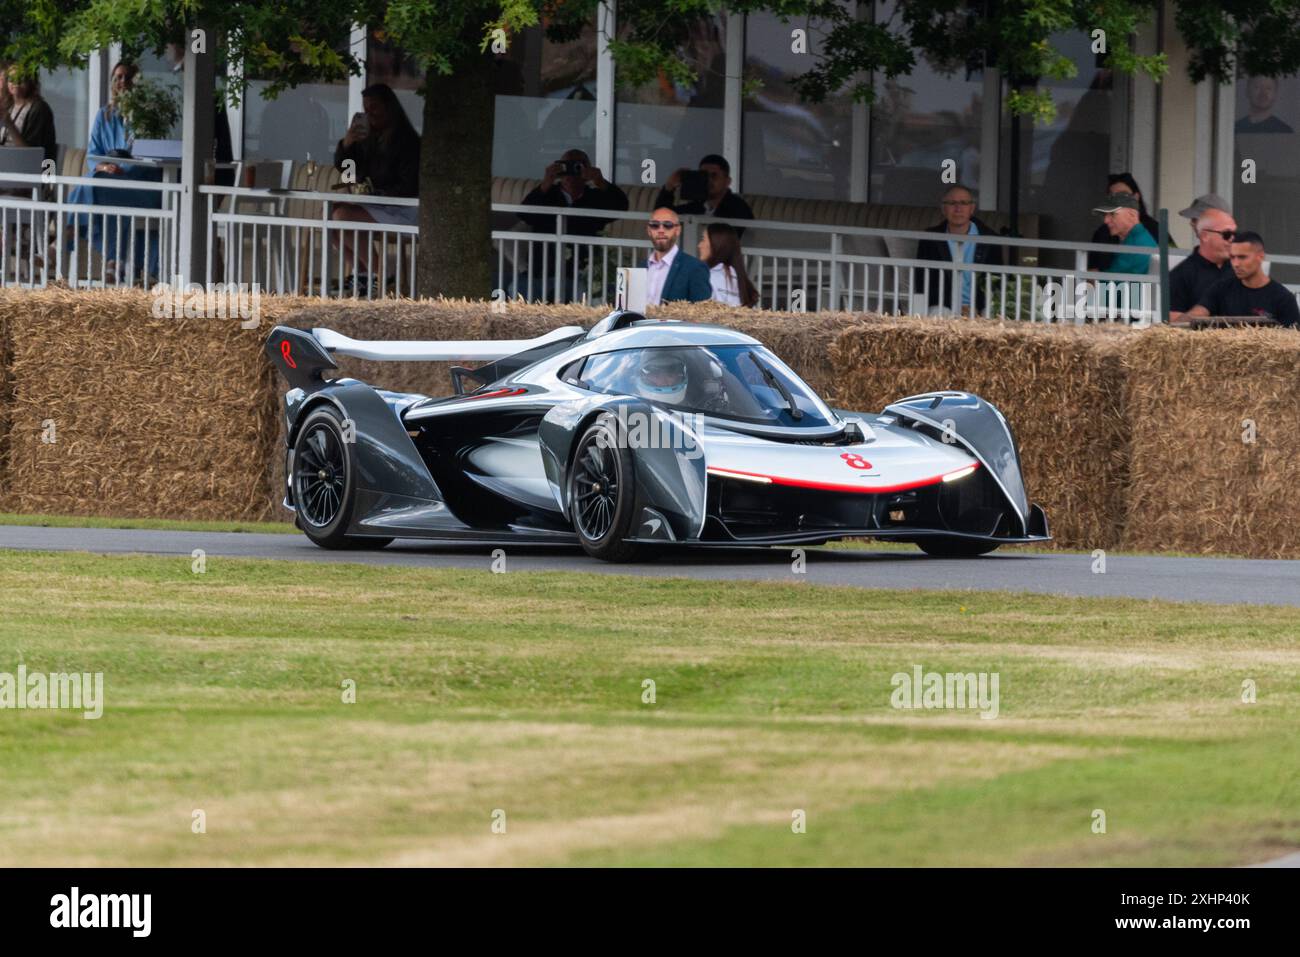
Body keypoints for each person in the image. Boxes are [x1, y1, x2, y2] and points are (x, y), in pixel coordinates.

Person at [331, 83, 421, 291]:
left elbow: (408, 185)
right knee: (329, 214)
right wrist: (348, 143)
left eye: (374, 107)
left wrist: (377, 194)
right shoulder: (368, 140)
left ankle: (382, 274)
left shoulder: (407, 141)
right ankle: (362, 273)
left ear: (389, 108)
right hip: (377, 204)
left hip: (402, 208)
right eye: (366, 109)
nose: (369, 114)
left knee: (343, 215)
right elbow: (348, 171)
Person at [914, 184, 1003, 314]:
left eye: (964, 203)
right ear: (943, 209)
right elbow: (922, 280)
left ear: (972, 208)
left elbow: (997, 281)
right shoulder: (930, 238)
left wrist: (980, 306)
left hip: (981, 306)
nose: (958, 208)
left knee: (992, 315)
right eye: (952, 203)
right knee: (936, 315)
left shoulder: (990, 239)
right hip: (942, 306)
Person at [1184, 232, 1299, 328]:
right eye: (1232, 257)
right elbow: (1198, 313)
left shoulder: (1283, 299)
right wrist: (1175, 328)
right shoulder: (1221, 289)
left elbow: (1292, 344)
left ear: (1260, 256)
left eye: (1242, 257)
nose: (1236, 264)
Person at [518, 149, 628, 236]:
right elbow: (524, 215)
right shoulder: (547, 195)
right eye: (565, 167)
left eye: (577, 167)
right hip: (547, 257)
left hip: (585, 259)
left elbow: (621, 207)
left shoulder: (594, 197)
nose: (570, 174)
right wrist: (545, 184)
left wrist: (601, 182)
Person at [655, 154, 753, 236]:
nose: (709, 180)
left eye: (714, 176)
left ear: (727, 181)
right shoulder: (697, 206)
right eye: (704, 175)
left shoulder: (737, 207)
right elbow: (660, 219)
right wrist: (669, 187)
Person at [1086, 174, 1165, 270]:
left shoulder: (1155, 230)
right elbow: (1092, 272)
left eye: (1123, 195)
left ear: (1136, 197)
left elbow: (1174, 260)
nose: (1106, 220)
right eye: (1111, 196)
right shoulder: (1102, 233)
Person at [1168, 206, 1237, 314]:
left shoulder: (1241, 269)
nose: (1232, 240)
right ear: (1205, 236)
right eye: (1227, 234)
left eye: (1235, 234)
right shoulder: (1180, 275)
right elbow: (1173, 324)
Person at [643, 207, 711, 305]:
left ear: (678, 230)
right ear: (649, 230)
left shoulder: (695, 268)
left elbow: (702, 313)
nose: (661, 230)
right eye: (655, 225)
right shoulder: (641, 266)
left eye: (668, 225)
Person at [0, 68, 57, 164]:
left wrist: (9, 123)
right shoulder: (9, 106)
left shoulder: (39, 108)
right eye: (11, 79)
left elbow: (29, 154)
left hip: (31, 168)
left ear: (31, 82)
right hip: (7, 163)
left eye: (21, 79)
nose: (16, 83)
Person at [697, 222, 758, 307]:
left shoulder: (709, 276)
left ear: (716, 244)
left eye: (703, 239)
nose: (699, 245)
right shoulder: (738, 277)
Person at [1092, 193, 1156, 274]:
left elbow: (1108, 284)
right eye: (1105, 215)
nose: (1106, 220)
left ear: (1132, 214)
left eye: (1112, 214)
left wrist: (1092, 276)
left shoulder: (1135, 243)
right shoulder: (1137, 238)